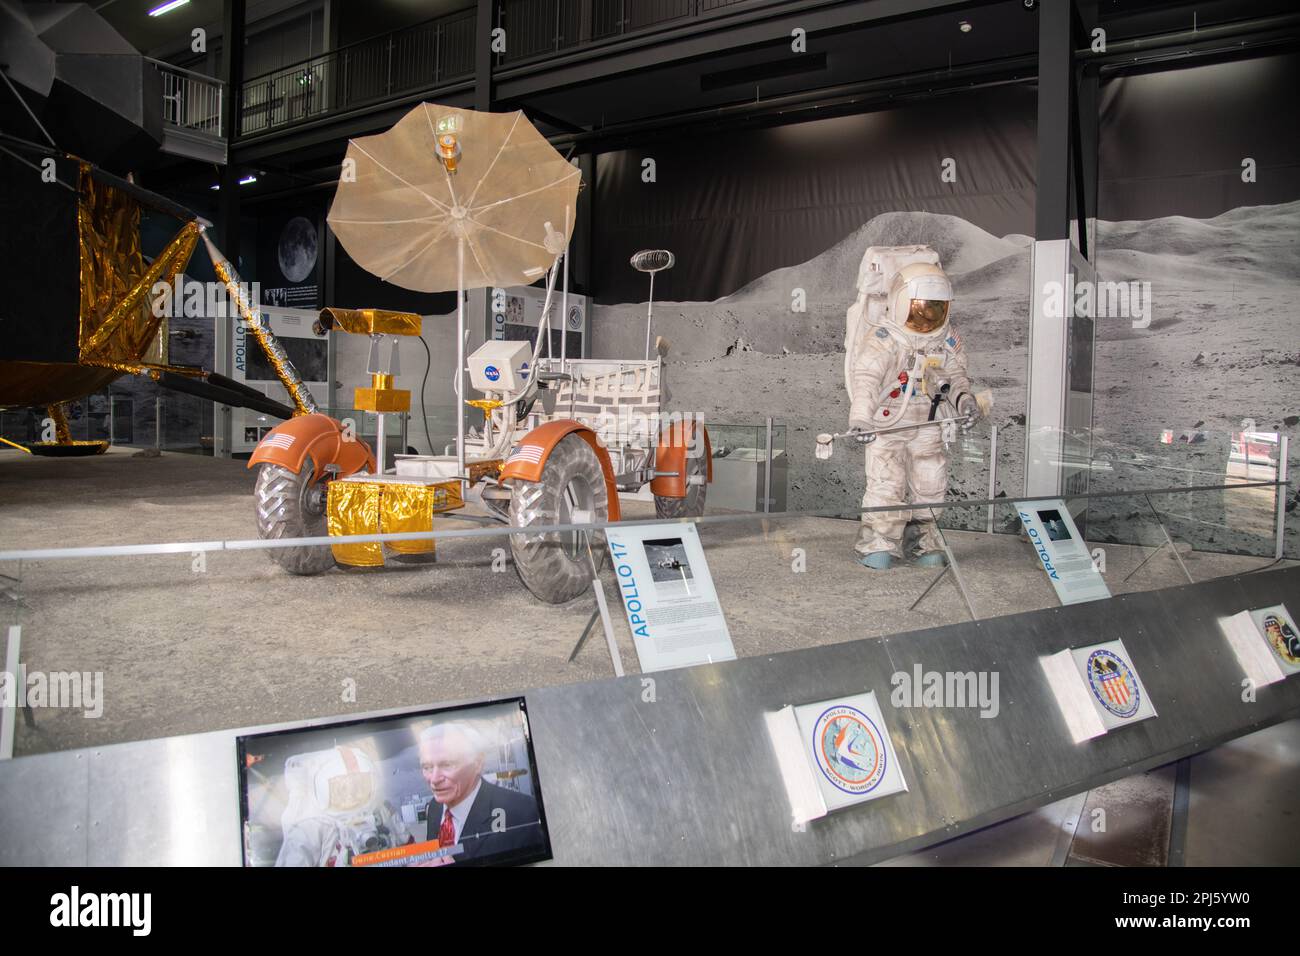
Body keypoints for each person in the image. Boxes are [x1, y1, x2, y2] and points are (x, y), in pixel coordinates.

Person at [847, 260, 981, 569]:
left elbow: (957, 379)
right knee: (886, 483)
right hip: (888, 421)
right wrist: (860, 419)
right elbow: (865, 379)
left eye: (935, 308)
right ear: (900, 303)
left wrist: (966, 403)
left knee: (931, 482)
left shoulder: (946, 340)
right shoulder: (885, 338)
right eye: (920, 307)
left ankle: (924, 542)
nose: (927, 315)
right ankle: (878, 543)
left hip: (929, 421)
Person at [419, 721, 542, 863]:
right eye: (427, 767)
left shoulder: (525, 812)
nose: (434, 779)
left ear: (477, 763)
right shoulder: (434, 807)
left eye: (447, 764)